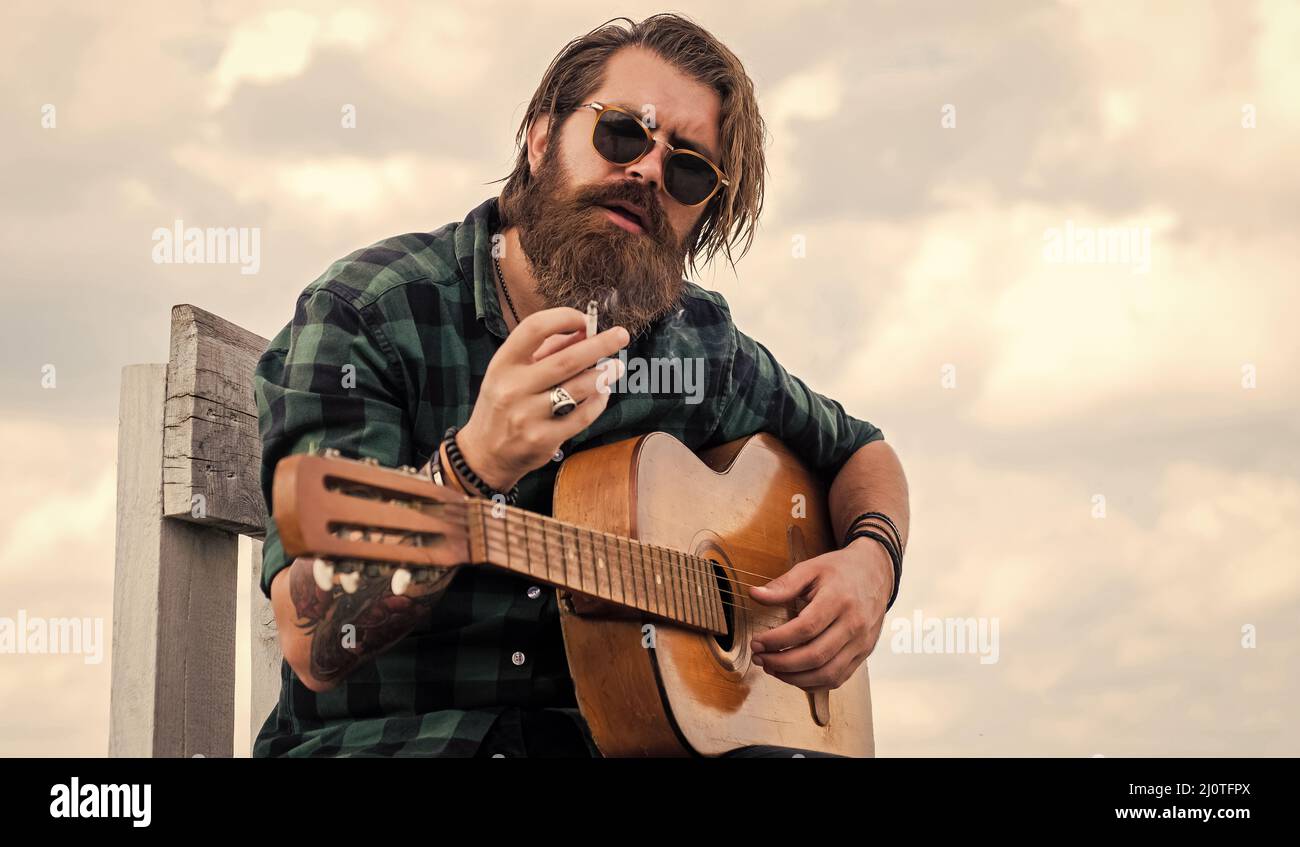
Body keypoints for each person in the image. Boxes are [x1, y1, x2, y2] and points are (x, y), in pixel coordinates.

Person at [252, 13, 909, 758]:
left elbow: (864, 452)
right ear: (540, 138)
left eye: (689, 167)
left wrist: (871, 565)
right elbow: (314, 635)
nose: (649, 171)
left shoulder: (699, 345)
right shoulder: (370, 315)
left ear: (702, 214)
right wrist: (470, 468)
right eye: (623, 133)